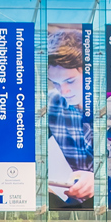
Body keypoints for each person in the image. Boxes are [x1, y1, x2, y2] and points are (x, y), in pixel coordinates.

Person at [46, 28, 94, 207]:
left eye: (70, 81)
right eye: (56, 83)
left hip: (108, 208)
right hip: (60, 206)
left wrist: (100, 182)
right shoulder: (49, 105)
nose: (64, 91)